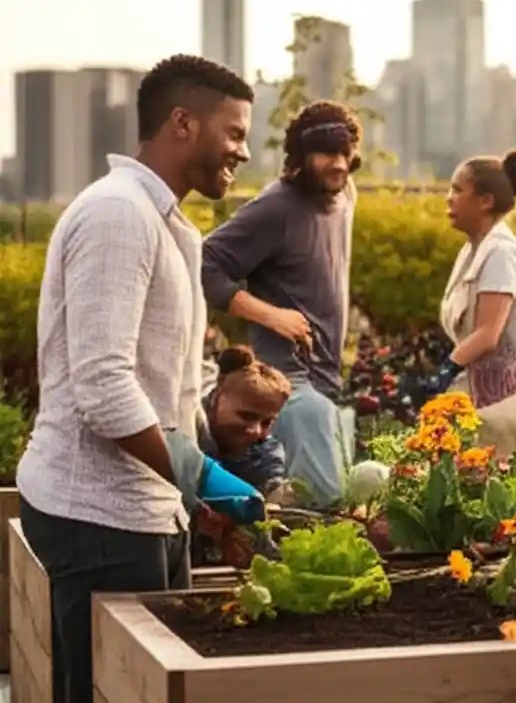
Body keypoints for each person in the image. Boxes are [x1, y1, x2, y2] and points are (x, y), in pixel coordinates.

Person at [16, 54, 253, 703]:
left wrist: (204, 478)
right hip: (97, 514)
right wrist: (198, 474)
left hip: (150, 508)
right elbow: (102, 384)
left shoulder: (171, 227)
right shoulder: (117, 215)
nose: (245, 150)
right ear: (182, 123)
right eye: (233, 132)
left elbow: (162, 383)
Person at [201, 101, 361, 508]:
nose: (339, 164)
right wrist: (271, 315)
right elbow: (203, 263)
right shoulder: (276, 208)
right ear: (300, 157)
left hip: (327, 380)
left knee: (335, 505)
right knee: (318, 505)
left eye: (346, 152)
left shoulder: (344, 196)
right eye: (326, 153)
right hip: (292, 384)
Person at [420, 148, 516, 456]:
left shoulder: (501, 254)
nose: (449, 197)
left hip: (507, 410)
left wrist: (447, 369)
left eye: (458, 190)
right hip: (483, 401)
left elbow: (488, 333)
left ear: (485, 201)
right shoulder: (475, 249)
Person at [197, 345, 292, 500]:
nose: (255, 431)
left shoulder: (264, 455)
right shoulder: (188, 427)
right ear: (217, 397)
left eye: (266, 423)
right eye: (246, 416)